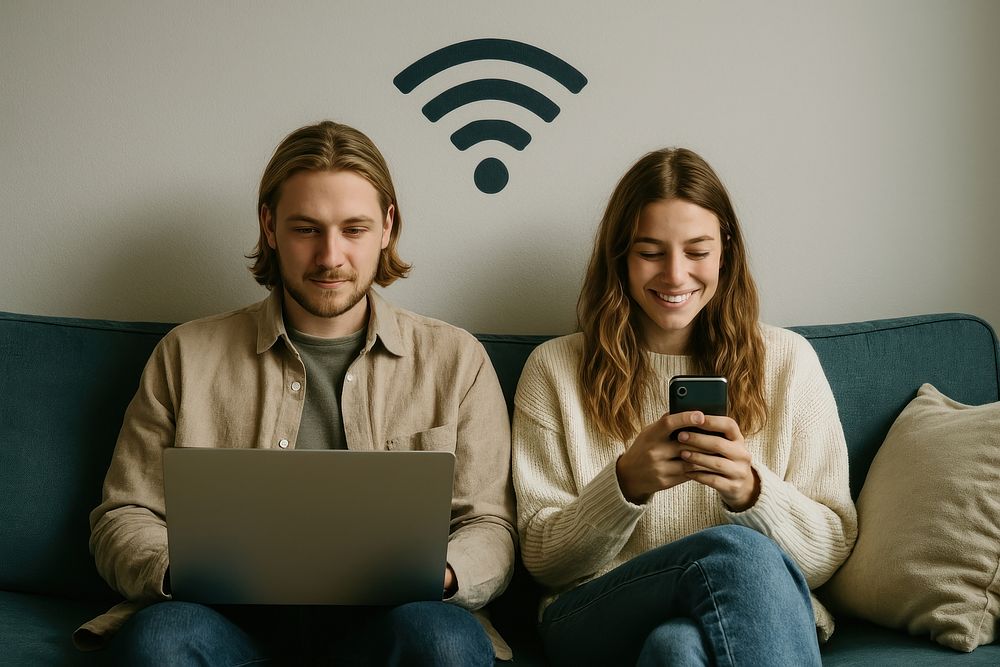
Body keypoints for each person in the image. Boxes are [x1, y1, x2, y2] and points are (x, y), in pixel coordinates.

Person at [74, 120, 516, 665]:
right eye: (307, 229)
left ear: (387, 227)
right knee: (161, 640)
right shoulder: (187, 355)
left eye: (353, 229)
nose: (330, 256)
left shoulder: (456, 360)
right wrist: (176, 569)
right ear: (270, 226)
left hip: (391, 622)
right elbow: (124, 514)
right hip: (225, 622)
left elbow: (490, 525)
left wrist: (443, 574)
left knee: (446, 641)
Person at [511, 148, 858, 666]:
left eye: (697, 251)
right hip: (594, 613)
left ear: (725, 254)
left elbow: (830, 550)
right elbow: (543, 558)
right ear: (621, 258)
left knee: (677, 649)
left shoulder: (788, 363)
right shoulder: (555, 369)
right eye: (650, 252)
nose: (675, 275)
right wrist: (624, 484)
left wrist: (753, 492)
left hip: (744, 617)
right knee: (738, 554)